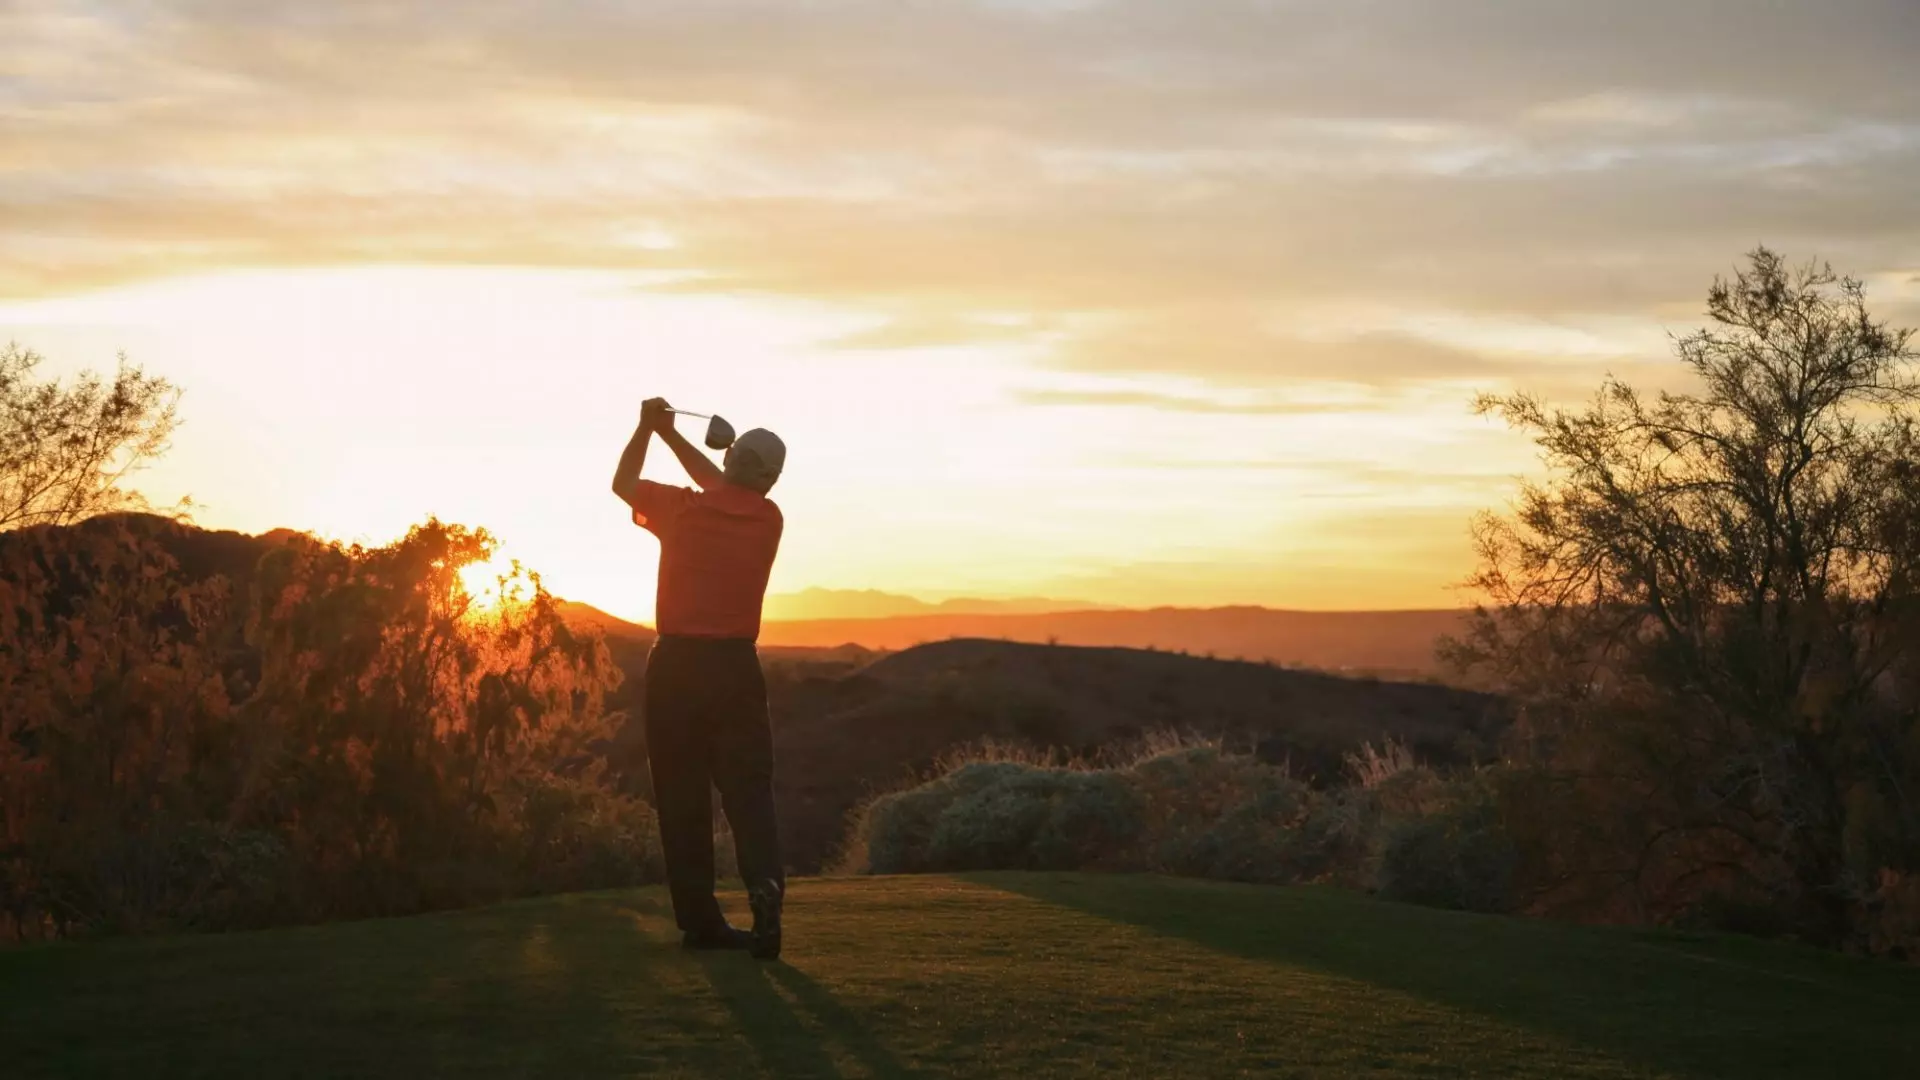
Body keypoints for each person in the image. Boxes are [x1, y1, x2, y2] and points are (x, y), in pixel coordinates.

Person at [610, 397, 789, 959]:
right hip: (735, 668)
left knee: (682, 797)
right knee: (749, 792)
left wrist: (650, 429)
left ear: (731, 458)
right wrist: (669, 435)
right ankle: (764, 891)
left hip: (676, 668)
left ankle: (701, 922)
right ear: (770, 477)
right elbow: (726, 484)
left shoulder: (684, 509)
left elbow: (623, 482)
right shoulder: (768, 517)